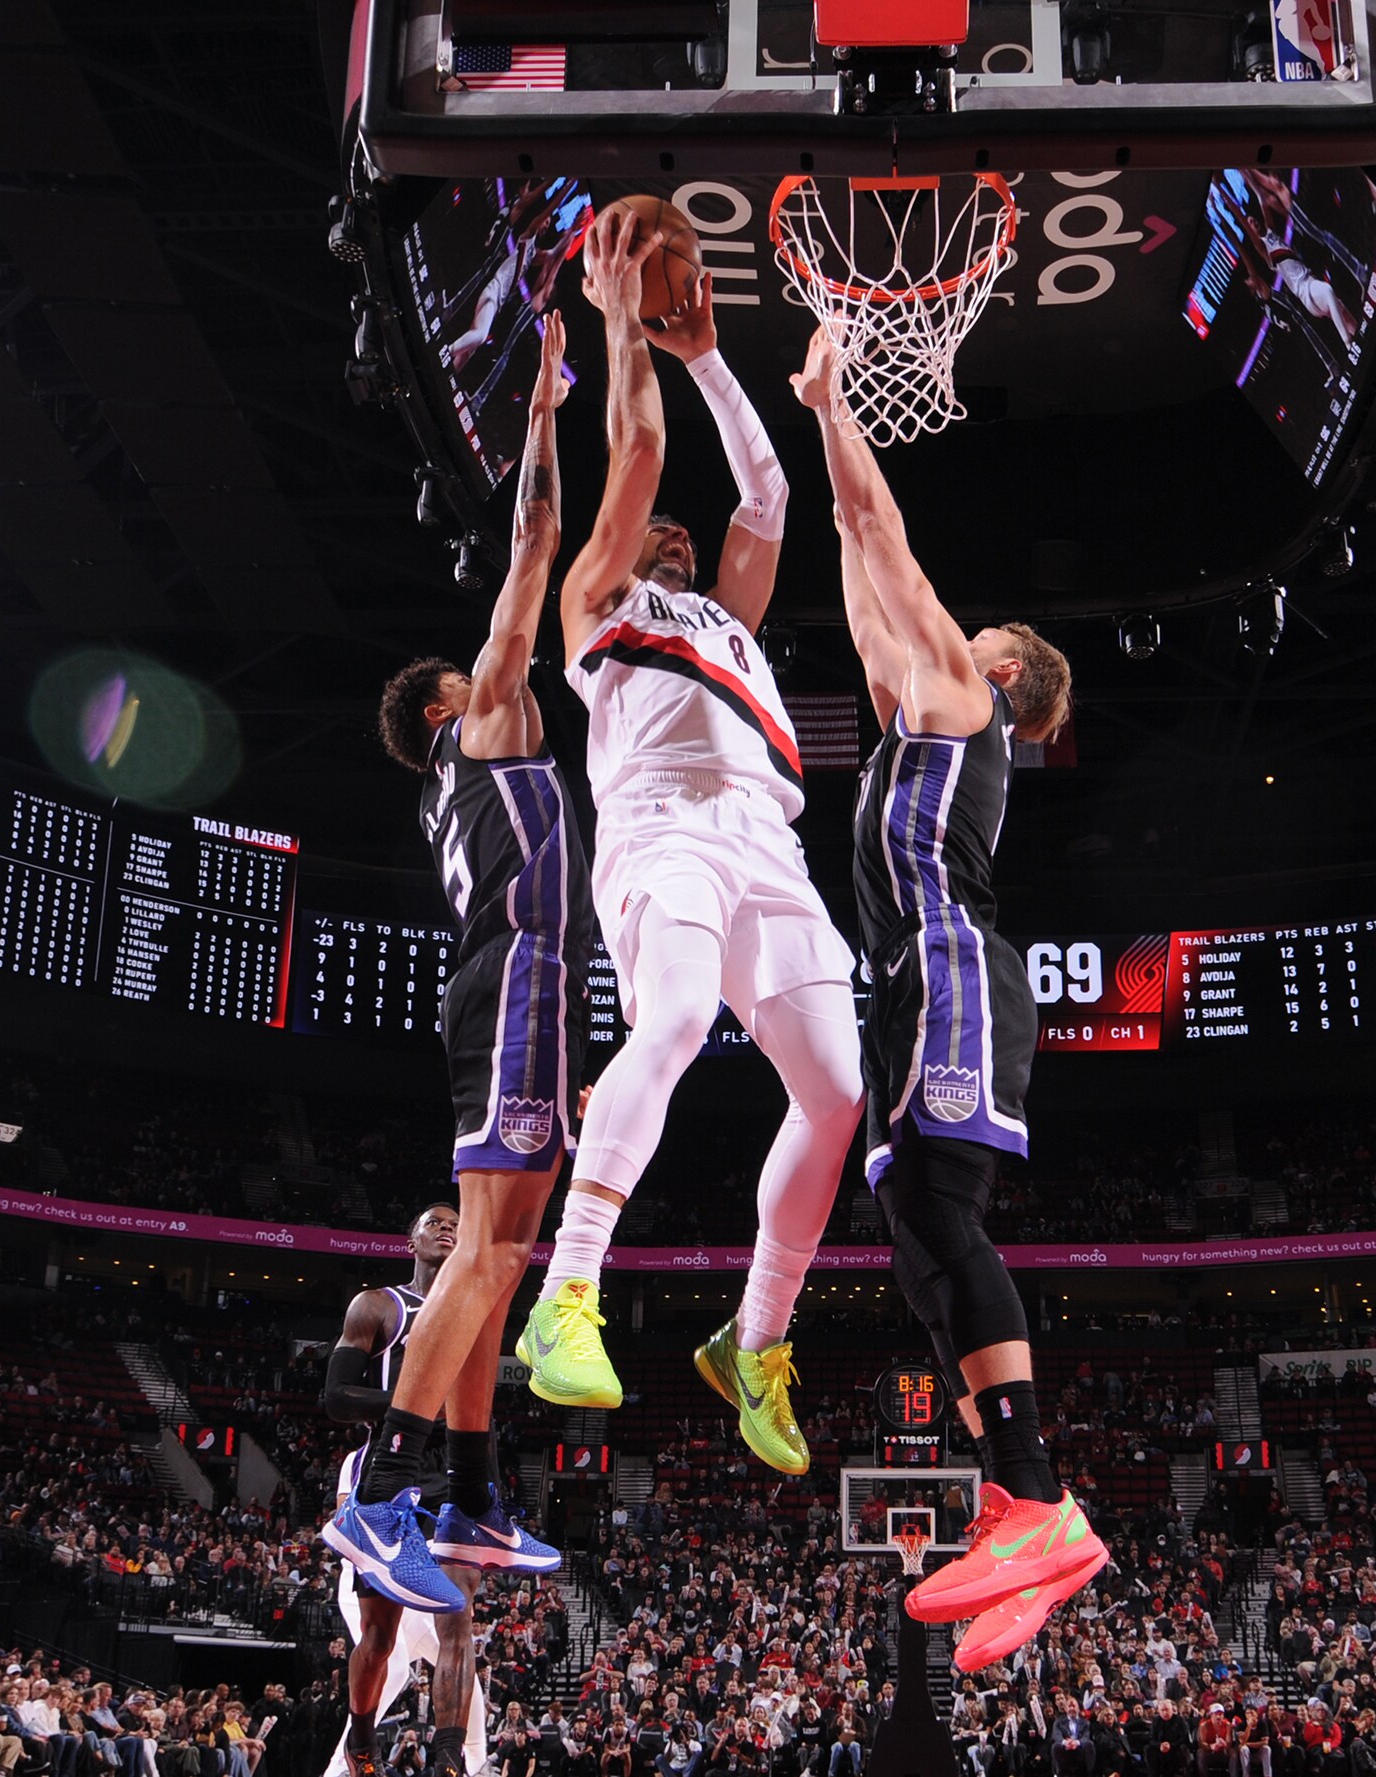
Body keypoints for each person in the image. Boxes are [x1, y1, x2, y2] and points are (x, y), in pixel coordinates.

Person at [514, 203, 865, 1475]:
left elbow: (768, 491)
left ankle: (755, 1339)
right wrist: (625, 335)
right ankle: (569, 1294)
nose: (671, 534)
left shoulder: (729, 620)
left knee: (836, 1092)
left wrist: (709, 350)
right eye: (655, 528)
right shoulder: (599, 599)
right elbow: (641, 458)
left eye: (677, 537)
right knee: (667, 1022)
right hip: (658, 828)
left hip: (769, 848)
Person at [789, 323, 1098, 1674]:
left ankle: (1039, 1505)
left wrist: (826, 408)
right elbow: (867, 578)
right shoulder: (921, 710)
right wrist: (845, 501)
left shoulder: (971, 697)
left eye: (970, 641)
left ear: (1006, 672)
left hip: (956, 975)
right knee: (914, 1238)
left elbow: (882, 529)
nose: (939, 639)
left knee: (938, 1212)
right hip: (912, 988)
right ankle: (1029, 1507)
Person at [357, 310, 581, 1607]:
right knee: (490, 1252)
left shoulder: (475, 769)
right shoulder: (481, 722)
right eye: (481, 669)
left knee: (509, 1251)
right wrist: (545, 405)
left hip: (514, 989)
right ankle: (385, 1494)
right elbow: (535, 543)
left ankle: (475, 1497)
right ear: (451, 701)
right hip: (513, 987)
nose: (504, 669)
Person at [315, 1205, 489, 1777]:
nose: (448, 1227)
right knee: (379, 1635)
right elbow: (338, 1397)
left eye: (458, 1224)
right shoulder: (378, 1305)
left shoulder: (477, 1311)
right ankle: (361, 1739)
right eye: (435, 1221)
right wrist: (413, 1405)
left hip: (452, 1470)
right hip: (390, 1463)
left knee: (459, 1615)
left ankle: (447, 1758)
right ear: (410, 1239)